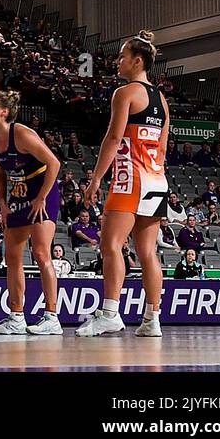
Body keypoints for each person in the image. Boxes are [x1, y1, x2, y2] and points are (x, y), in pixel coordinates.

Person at [79, 31, 169, 338]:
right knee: (147, 252)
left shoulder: (125, 92)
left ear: (137, 61)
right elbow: (163, 149)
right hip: (157, 178)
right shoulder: (162, 99)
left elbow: (114, 139)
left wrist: (95, 179)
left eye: (122, 56)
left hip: (131, 177)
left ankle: (110, 313)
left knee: (111, 245)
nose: (118, 61)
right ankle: (152, 320)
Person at [0, 89, 63, 336]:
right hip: (18, 191)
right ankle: (16, 317)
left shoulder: (23, 134)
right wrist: (3, 202)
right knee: (13, 256)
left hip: (42, 190)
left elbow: (55, 164)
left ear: (4, 112)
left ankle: (52, 317)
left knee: (40, 252)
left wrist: (40, 199)